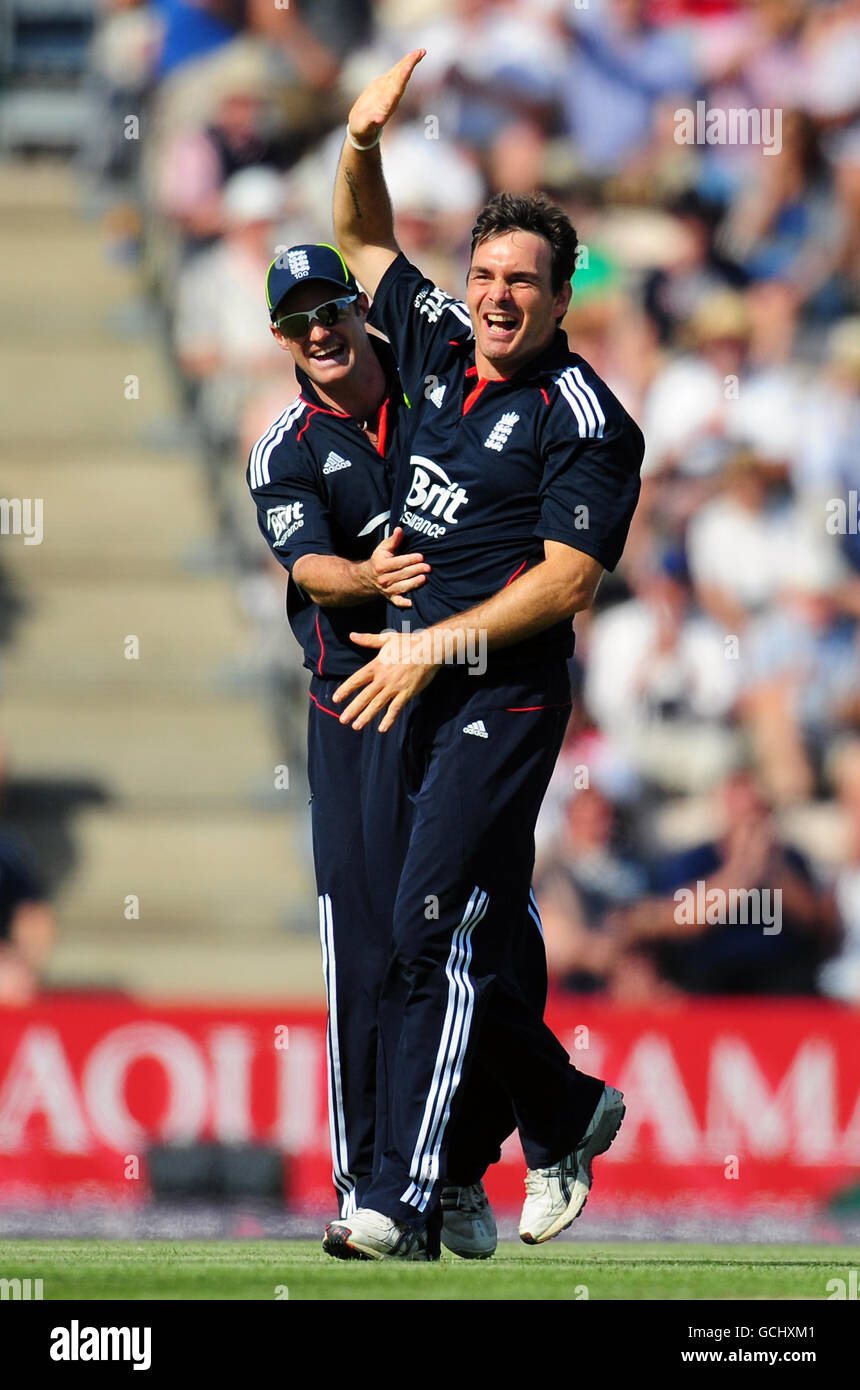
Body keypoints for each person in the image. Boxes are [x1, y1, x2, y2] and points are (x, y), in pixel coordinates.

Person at [323, 50, 644, 1260]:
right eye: (487, 272)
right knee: (481, 936)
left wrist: (431, 645)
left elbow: (565, 584)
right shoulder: (437, 341)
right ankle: (556, 1110)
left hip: (497, 700)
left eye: (525, 281)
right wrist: (360, 144)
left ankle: (404, 1196)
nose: (499, 295)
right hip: (409, 686)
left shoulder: (587, 418)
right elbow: (359, 249)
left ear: (564, 299)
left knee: (421, 927)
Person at [246, 241, 547, 1260]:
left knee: (498, 934)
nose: (319, 332)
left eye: (330, 307)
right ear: (281, 337)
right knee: (372, 946)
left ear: (352, 306)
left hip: (463, 694)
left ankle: (465, 1162)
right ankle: (375, 1187)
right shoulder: (286, 444)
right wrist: (368, 578)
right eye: (296, 322)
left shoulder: (435, 381)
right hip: (357, 710)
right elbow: (314, 566)